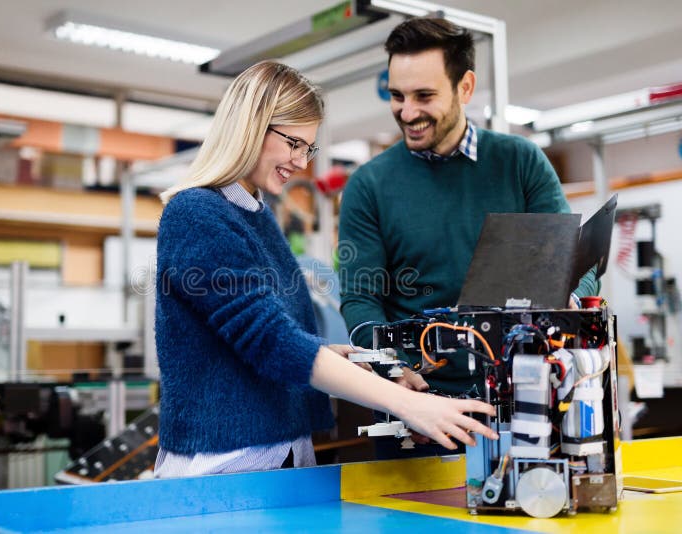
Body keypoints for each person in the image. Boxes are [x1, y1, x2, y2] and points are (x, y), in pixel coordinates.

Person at [153, 60, 498, 477]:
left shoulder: (255, 214)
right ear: (251, 126)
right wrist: (408, 405)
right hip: (224, 465)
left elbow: (265, 340)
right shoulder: (197, 213)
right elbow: (270, 340)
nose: (302, 162)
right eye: (294, 143)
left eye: (308, 149)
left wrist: (346, 362)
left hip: (275, 454)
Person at [338, 18, 599, 454]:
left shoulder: (520, 162)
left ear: (465, 88)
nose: (407, 112)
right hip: (417, 414)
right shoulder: (369, 186)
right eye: (397, 96)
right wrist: (391, 372)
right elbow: (359, 299)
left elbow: (575, 262)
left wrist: (565, 301)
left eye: (424, 96)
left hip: (523, 403)